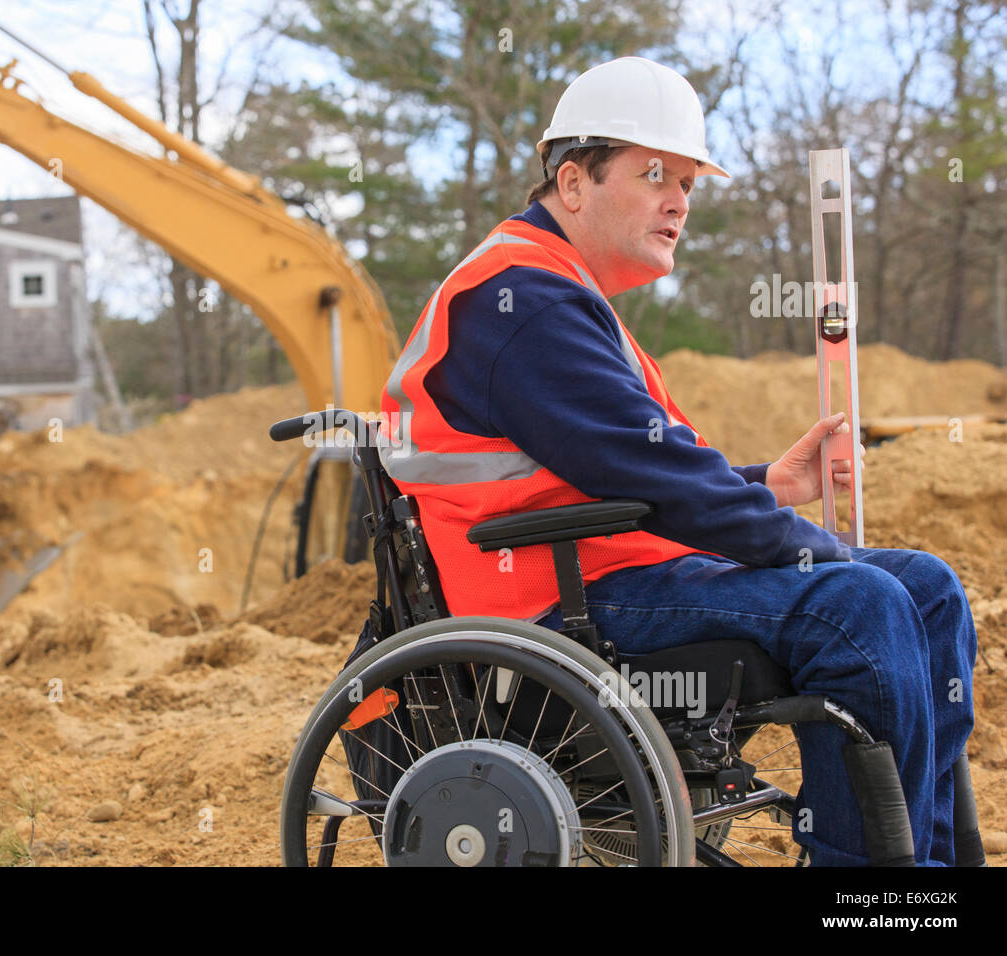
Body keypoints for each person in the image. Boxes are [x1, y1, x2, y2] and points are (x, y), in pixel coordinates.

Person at [377, 56, 977, 866]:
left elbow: (636, 472)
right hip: (550, 603)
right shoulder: (522, 303)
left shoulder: (562, 293)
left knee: (928, 590)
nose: (680, 201)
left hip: (614, 569)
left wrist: (769, 485)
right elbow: (648, 478)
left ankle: (934, 872)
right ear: (574, 180)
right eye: (657, 173)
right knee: (858, 606)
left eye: (690, 183)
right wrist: (819, 552)